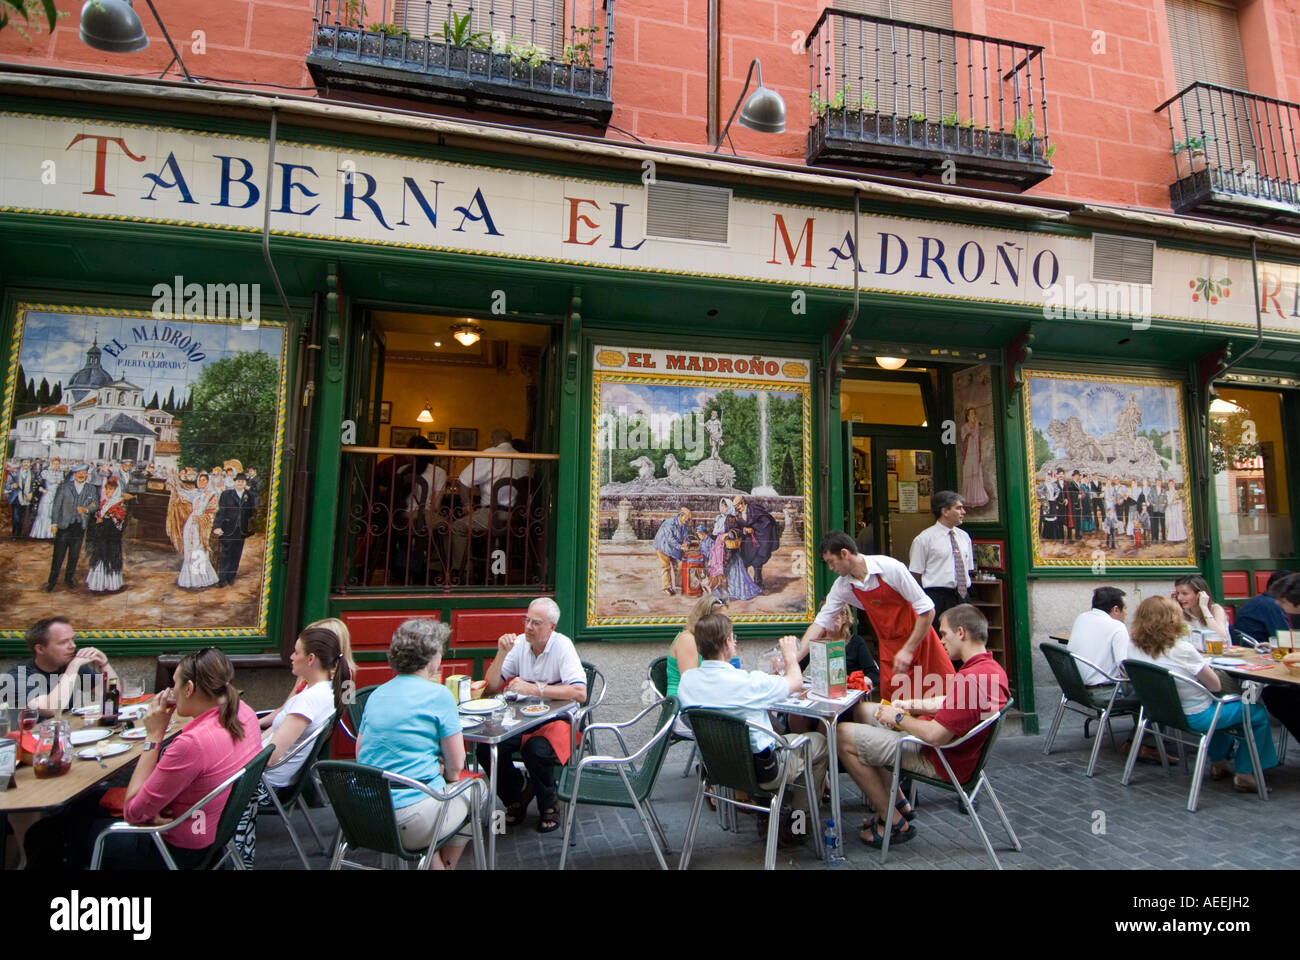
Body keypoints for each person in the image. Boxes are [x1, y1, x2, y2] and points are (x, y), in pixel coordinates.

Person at [836, 604, 1008, 848]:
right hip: (946, 749)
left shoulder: (973, 680)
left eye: (944, 633)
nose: (940, 640)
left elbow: (934, 735)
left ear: (961, 633)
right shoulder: (988, 669)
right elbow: (951, 702)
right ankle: (900, 802)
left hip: (938, 758)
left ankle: (893, 820)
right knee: (863, 710)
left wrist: (898, 718)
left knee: (842, 735)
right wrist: (911, 704)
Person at [110, 648, 262, 868]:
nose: (172, 691)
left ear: (189, 688)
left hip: (177, 851)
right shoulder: (243, 711)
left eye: (174, 684)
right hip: (215, 834)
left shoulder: (192, 743)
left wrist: (154, 735)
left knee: (71, 828)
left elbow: (133, 813)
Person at [676, 614, 828, 829]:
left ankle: (769, 813)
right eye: (733, 637)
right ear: (728, 643)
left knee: (772, 733)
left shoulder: (687, 681)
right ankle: (798, 823)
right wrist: (790, 656)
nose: (735, 641)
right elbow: (795, 682)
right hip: (762, 772)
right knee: (819, 742)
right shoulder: (748, 682)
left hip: (719, 769)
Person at [357, 619, 476, 869]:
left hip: (367, 817)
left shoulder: (376, 695)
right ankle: (446, 866)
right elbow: (456, 767)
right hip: (412, 820)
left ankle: (432, 862)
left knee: (433, 792)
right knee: (478, 789)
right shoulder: (439, 695)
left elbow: (361, 756)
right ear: (432, 656)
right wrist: (440, 770)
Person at [1126, 596, 1276, 793]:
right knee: (1254, 711)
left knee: (1223, 708)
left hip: (1163, 713)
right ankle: (1245, 773)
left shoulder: (1133, 646)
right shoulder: (1182, 649)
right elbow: (1214, 686)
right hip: (1196, 716)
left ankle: (1219, 763)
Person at [805, 531, 954, 702]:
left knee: (940, 698)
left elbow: (928, 611)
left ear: (845, 553)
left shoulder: (891, 568)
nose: (830, 568)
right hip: (890, 648)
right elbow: (820, 623)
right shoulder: (843, 586)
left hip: (921, 642)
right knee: (894, 705)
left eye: (831, 562)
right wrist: (794, 659)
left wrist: (908, 649)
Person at [478, 597, 586, 834]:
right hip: (522, 719)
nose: (528, 627)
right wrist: (501, 654)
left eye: (536, 623)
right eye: (526, 620)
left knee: (535, 750)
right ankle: (517, 794)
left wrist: (535, 689)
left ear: (552, 627)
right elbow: (491, 687)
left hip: (558, 720)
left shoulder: (563, 646)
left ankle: (549, 805)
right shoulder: (518, 645)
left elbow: (579, 692)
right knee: (485, 748)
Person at [261, 626, 350, 790]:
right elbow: (283, 714)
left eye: (296, 652)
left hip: (266, 783)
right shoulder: (334, 685)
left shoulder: (309, 700)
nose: (291, 657)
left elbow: (269, 758)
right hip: (283, 770)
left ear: (311, 659)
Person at [450, 429, 530, 571]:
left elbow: (463, 480)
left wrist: (467, 505)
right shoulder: (524, 458)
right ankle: (498, 571)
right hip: (518, 517)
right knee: (493, 532)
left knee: (457, 527)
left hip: (491, 514)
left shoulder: (491, 453)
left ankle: (462, 572)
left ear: (494, 440)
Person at [2, 617, 114, 711]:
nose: (73, 646)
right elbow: (51, 709)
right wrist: (74, 667)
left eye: (72, 640)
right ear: (40, 649)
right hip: (32, 736)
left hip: (63, 733)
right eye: (64, 642)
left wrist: (104, 664)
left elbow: (111, 695)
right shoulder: (17, 677)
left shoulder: (69, 665)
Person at [907, 490, 972, 622]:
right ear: (945, 511)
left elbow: (969, 569)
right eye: (958, 508)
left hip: (962, 596)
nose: (963, 512)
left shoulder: (964, 537)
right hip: (938, 597)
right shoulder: (924, 539)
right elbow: (915, 573)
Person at [45, 462, 99, 592]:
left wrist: (86, 509)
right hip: (64, 526)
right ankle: (52, 581)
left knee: (74, 555)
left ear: (87, 474)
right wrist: (54, 523)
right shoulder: (64, 487)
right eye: (79, 473)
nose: (82, 475)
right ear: (74, 474)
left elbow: (96, 504)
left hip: (79, 526)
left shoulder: (91, 488)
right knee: (58, 555)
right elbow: (56, 506)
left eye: (84, 473)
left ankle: (69, 579)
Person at [1067, 587, 1134, 685]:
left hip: (1074, 688)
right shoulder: (1118, 627)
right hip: (1102, 690)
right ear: (1116, 609)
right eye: (1125, 608)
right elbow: (1124, 669)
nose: (1126, 613)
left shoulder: (1081, 618)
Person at [168, 469, 219, 589]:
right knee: (189, 550)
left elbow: (213, 511)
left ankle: (200, 579)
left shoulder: (212, 494)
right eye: (200, 480)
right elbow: (181, 493)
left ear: (208, 481)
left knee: (199, 551)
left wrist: (202, 518)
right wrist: (174, 481)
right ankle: (190, 580)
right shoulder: (195, 493)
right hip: (190, 524)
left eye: (204, 480)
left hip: (201, 526)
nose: (201, 482)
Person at [666, 593, 723, 697]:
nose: (724, 625)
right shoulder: (688, 640)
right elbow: (691, 683)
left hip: (702, 697)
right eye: (720, 620)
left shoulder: (709, 640)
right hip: (682, 703)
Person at [85, 475, 131, 593]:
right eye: (106, 489)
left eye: (110, 490)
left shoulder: (120, 505)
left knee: (109, 560)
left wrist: (103, 520)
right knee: (99, 559)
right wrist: (98, 518)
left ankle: (110, 585)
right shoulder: (105, 503)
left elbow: (118, 524)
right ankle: (98, 584)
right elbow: (98, 516)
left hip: (111, 539)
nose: (107, 492)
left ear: (116, 491)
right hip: (101, 537)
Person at [213, 473, 256, 587]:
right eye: (238, 481)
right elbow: (221, 511)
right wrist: (217, 526)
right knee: (226, 554)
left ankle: (231, 578)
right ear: (234, 482)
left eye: (243, 481)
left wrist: (249, 527)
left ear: (246, 483)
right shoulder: (226, 494)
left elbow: (252, 512)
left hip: (241, 530)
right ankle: (222, 580)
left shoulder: (250, 496)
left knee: (236, 554)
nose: (240, 483)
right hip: (228, 529)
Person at [1232, 569, 1295, 645]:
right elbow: (1285, 640)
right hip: (1258, 651)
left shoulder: (1261, 600)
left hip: (1248, 647)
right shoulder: (1272, 605)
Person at [731, 495, 779, 589]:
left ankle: (758, 584)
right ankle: (745, 584)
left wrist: (754, 528)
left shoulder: (755, 510)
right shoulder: (738, 515)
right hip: (747, 543)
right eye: (736, 507)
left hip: (758, 541)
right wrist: (744, 530)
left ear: (743, 503)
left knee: (757, 563)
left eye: (739, 506)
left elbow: (767, 522)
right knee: (744, 562)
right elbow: (738, 527)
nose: (738, 509)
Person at [1174, 574, 1229, 641]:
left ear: (1200, 594)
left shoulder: (1215, 609)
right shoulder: (1181, 611)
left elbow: (1222, 636)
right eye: (1177, 594)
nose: (1179, 598)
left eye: (1185, 594)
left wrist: (1204, 608)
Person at [653, 506, 694, 596]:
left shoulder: (683, 526)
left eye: (689, 520)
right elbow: (670, 539)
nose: (688, 521)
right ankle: (667, 587)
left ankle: (679, 586)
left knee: (680, 565)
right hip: (663, 546)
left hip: (675, 548)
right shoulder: (669, 523)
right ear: (681, 515)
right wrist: (680, 546)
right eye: (687, 519)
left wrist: (686, 543)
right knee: (666, 567)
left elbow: (687, 537)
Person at [958, 407, 990, 508]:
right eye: (971, 414)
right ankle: (968, 499)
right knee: (969, 474)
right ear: (967, 416)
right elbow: (969, 436)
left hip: (975, 454)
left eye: (974, 414)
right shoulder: (964, 427)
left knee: (976, 474)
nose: (973, 416)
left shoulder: (976, 426)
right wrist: (976, 426)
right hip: (968, 455)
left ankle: (977, 498)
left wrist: (985, 438)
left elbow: (977, 439)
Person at [28, 456, 62, 540]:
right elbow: (37, 484)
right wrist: (42, 490)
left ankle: (52, 534)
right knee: (44, 513)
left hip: (56, 496)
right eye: (54, 464)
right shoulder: (45, 472)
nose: (56, 466)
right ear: (51, 464)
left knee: (53, 513)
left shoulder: (61, 473)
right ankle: (41, 533)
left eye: (57, 464)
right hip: (47, 495)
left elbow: (62, 486)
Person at [5, 457, 34, 538]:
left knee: (22, 517)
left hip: (26, 499)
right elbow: (6, 485)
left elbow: (34, 486)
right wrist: (12, 485)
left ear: (30, 464)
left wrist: (31, 493)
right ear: (21, 463)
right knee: (16, 517)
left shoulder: (32, 474)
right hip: (16, 498)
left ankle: (19, 534)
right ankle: (15, 534)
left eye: (27, 462)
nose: (26, 464)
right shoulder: (15, 473)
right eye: (24, 462)